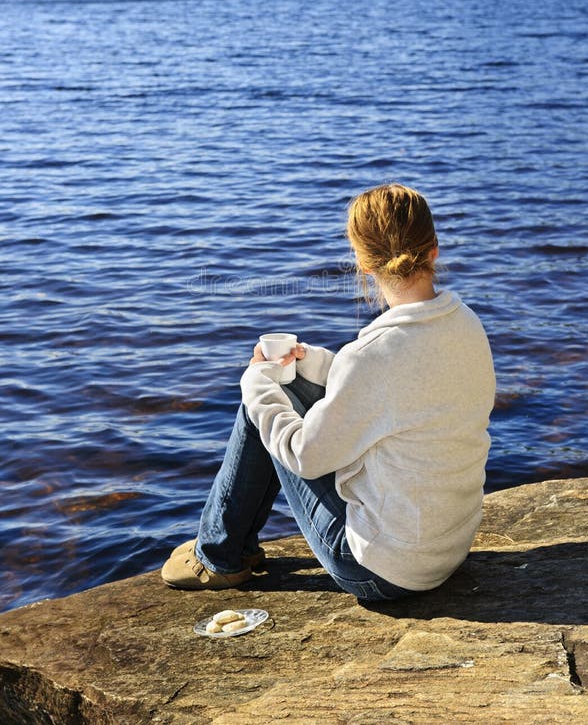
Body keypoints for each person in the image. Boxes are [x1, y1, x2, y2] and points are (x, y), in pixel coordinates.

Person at [161, 184, 496, 601]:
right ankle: (226, 547)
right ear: (434, 251)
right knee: (283, 389)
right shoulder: (466, 324)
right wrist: (312, 362)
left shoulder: (371, 356)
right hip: (448, 548)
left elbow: (306, 456)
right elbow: (401, 385)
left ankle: (220, 556)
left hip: (383, 572)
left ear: (364, 263)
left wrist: (255, 382)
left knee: (260, 407)